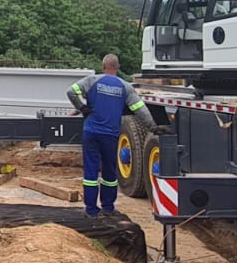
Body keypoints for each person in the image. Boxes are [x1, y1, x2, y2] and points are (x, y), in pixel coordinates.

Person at [66, 54, 165, 217]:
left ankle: (91, 210)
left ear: (103, 66)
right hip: (110, 135)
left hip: (91, 132)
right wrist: (153, 127)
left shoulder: (92, 81)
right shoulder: (125, 87)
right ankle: (108, 207)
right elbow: (140, 109)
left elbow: (71, 92)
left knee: (90, 171)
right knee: (110, 172)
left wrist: (82, 108)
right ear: (117, 67)